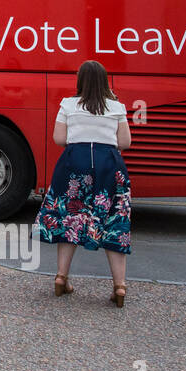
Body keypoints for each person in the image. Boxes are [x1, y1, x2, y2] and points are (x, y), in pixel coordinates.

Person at [37, 59, 131, 307]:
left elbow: (59, 138)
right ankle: (119, 286)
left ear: (80, 81)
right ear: (104, 81)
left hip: (73, 164)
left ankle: (61, 277)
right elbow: (125, 142)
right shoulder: (117, 106)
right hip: (108, 166)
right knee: (114, 222)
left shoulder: (68, 104)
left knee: (70, 217)